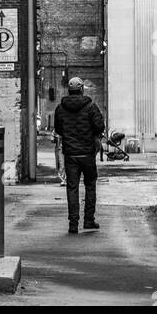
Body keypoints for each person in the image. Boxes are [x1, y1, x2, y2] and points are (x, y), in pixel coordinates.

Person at [53, 78, 105, 234]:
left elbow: (59, 129)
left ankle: (73, 224)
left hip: (70, 154)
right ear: (82, 89)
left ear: (69, 90)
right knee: (90, 185)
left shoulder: (61, 108)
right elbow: (99, 126)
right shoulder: (90, 107)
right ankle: (89, 220)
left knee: (72, 187)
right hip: (87, 154)